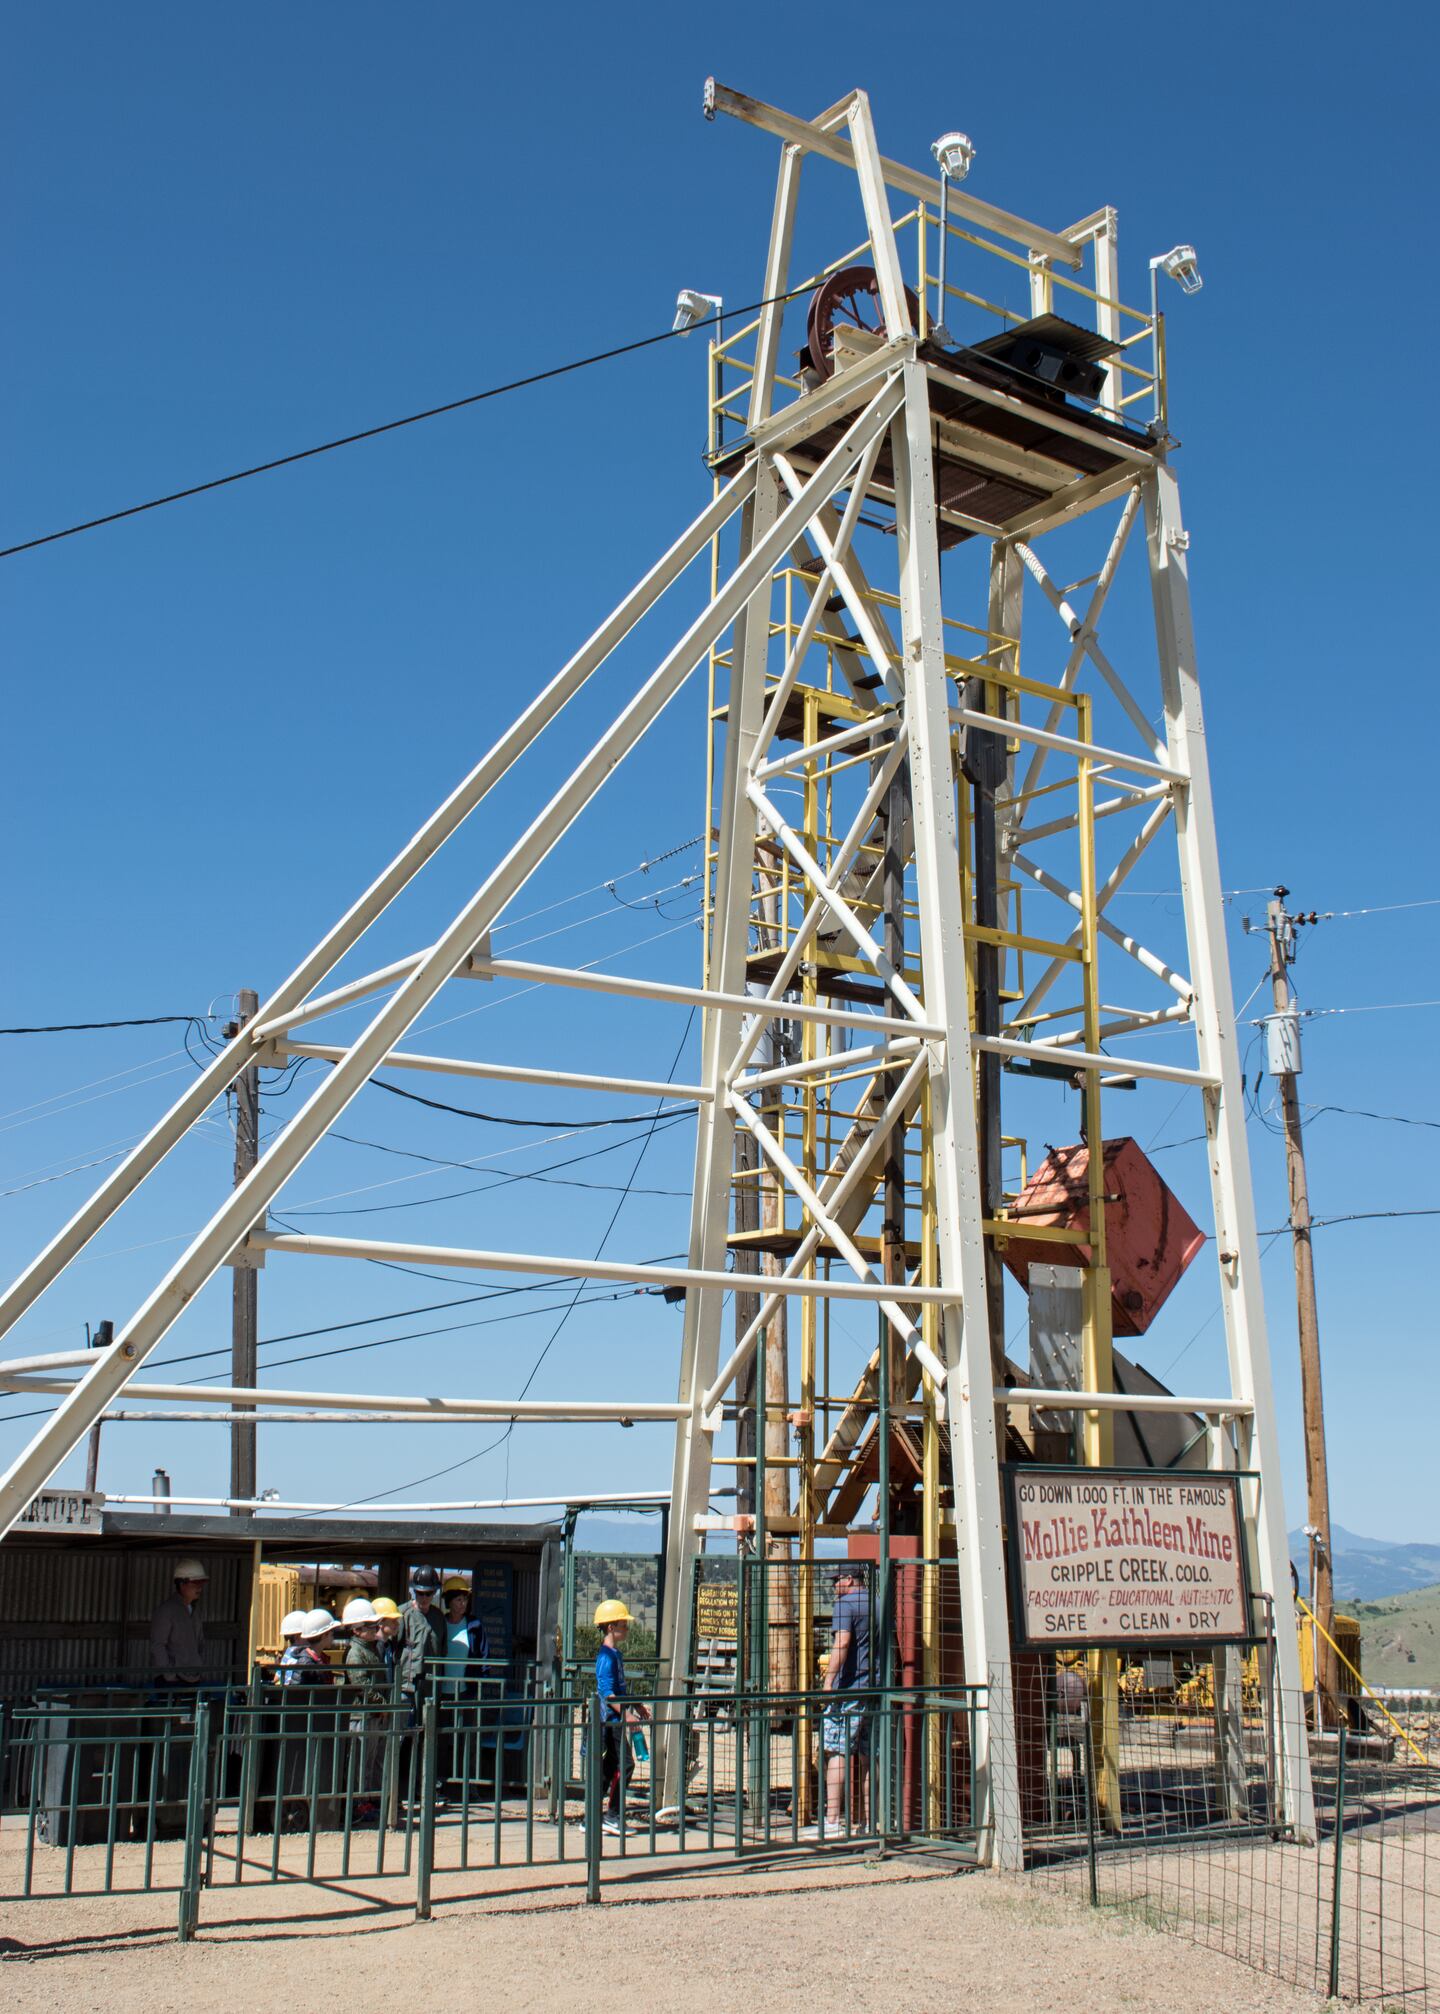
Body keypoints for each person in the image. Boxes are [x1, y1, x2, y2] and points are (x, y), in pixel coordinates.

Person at [807, 1566, 871, 1837]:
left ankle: (832, 1822)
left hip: (848, 1690)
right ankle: (869, 1823)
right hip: (876, 1689)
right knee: (870, 1757)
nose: (834, 1586)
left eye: (836, 1581)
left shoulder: (846, 1605)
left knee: (837, 1752)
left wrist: (828, 1683)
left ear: (849, 1580)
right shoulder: (878, 1602)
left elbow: (842, 1643)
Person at [593, 1599, 649, 1838]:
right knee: (625, 1765)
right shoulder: (606, 1657)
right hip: (611, 1722)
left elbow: (619, 1689)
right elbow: (607, 1693)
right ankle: (612, 1815)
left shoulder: (616, 1655)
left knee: (608, 1769)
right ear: (610, 1627)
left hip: (615, 1719)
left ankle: (593, 1817)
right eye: (622, 1625)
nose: (626, 1629)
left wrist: (635, 1704)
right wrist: (626, 1714)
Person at [436, 1577, 490, 1793]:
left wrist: (480, 1685)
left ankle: (468, 1784)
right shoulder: (440, 1624)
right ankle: (438, 1783)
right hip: (441, 1692)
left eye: (465, 1599)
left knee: (467, 1739)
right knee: (439, 1739)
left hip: (466, 1692)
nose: (462, 1604)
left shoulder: (474, 1626)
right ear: (449, 1601)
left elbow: (484, 1657)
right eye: (458, 1599)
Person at [342, 1598, 388, 1818]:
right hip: (361, 1715)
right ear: (357, 1630)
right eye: (370, 1626)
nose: (375, 1629)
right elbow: (361, 1683)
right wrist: (382, 1703)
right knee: (359, 1763)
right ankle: (357, 1803)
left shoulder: (370, 1649)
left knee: (370, 1762)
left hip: (372, 1714)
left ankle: (367, 1800)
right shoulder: (355, 1653)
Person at [150, 1556, 208, 1686]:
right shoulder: (166, 1610)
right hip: (172, 1681)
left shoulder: (195, 1611)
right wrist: (169, 1675)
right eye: (195, 1583)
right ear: (182, 1584)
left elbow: (200, 1643)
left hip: (193, 1677)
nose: (199, 1588)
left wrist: (199, 1667)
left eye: (201, 1583)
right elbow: (157, 1645)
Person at [398, 1566, 446, 1701]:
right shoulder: (402, 1614)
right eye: (420, 1593)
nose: (424, 1597)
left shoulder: (438, 1617)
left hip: (430, 1686)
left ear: (434, 1592)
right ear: (414, 1591)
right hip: (406, 1686)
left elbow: (442, 1651)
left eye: (428, 1593)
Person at [373, 1596, 403, 1683]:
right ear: (380, 1622)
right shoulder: (373, 1647)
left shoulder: (390, 1645)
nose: (397, 1624)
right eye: (393, 1620)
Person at [278, 1608, 309, 1685]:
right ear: (297, 1636)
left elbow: (277, 1676)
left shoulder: (288, 1651)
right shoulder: (302, 1653)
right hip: (293, 1688)